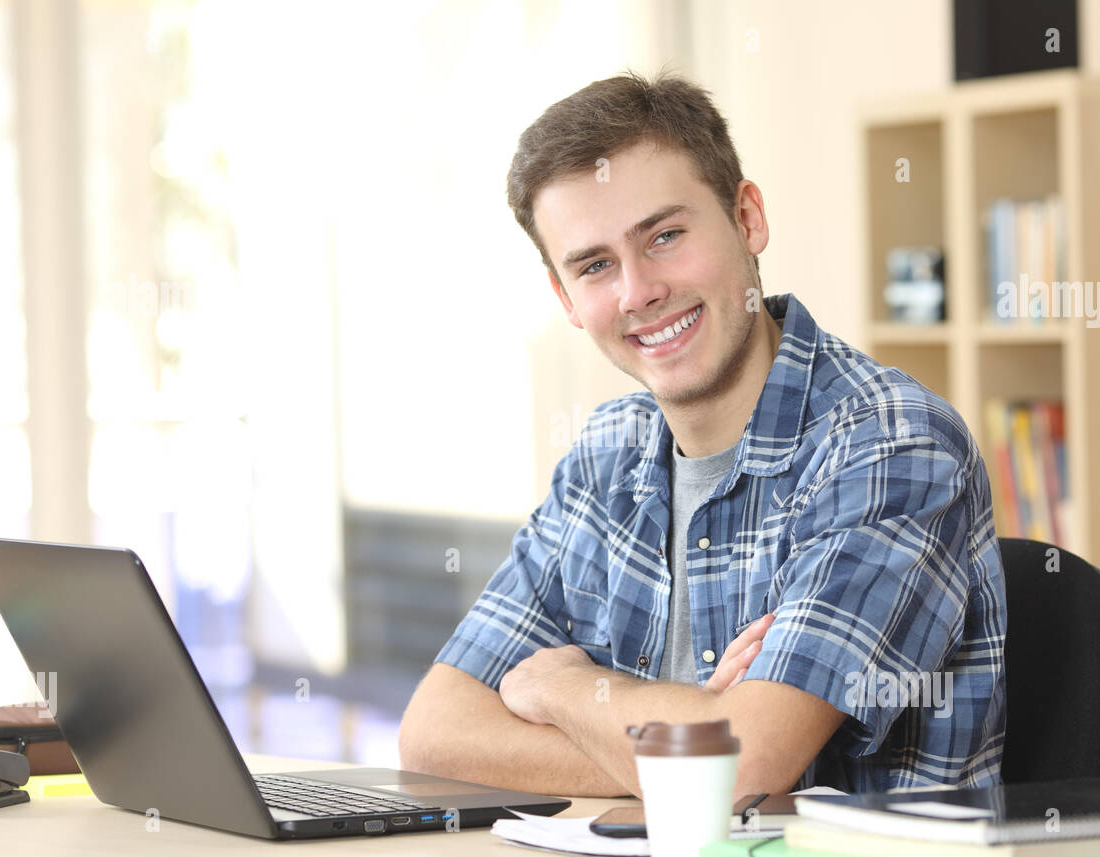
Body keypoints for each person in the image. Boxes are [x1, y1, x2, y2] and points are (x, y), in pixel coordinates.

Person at [399, 68, 1006, 799]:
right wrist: (689, 734)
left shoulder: (890, 444)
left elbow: (742, 770)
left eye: (665, 236)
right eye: (595, 266)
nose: (637, 292)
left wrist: (565, 690)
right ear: (565, 297)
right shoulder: (605, 456)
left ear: (747, 218)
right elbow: (433, 735)